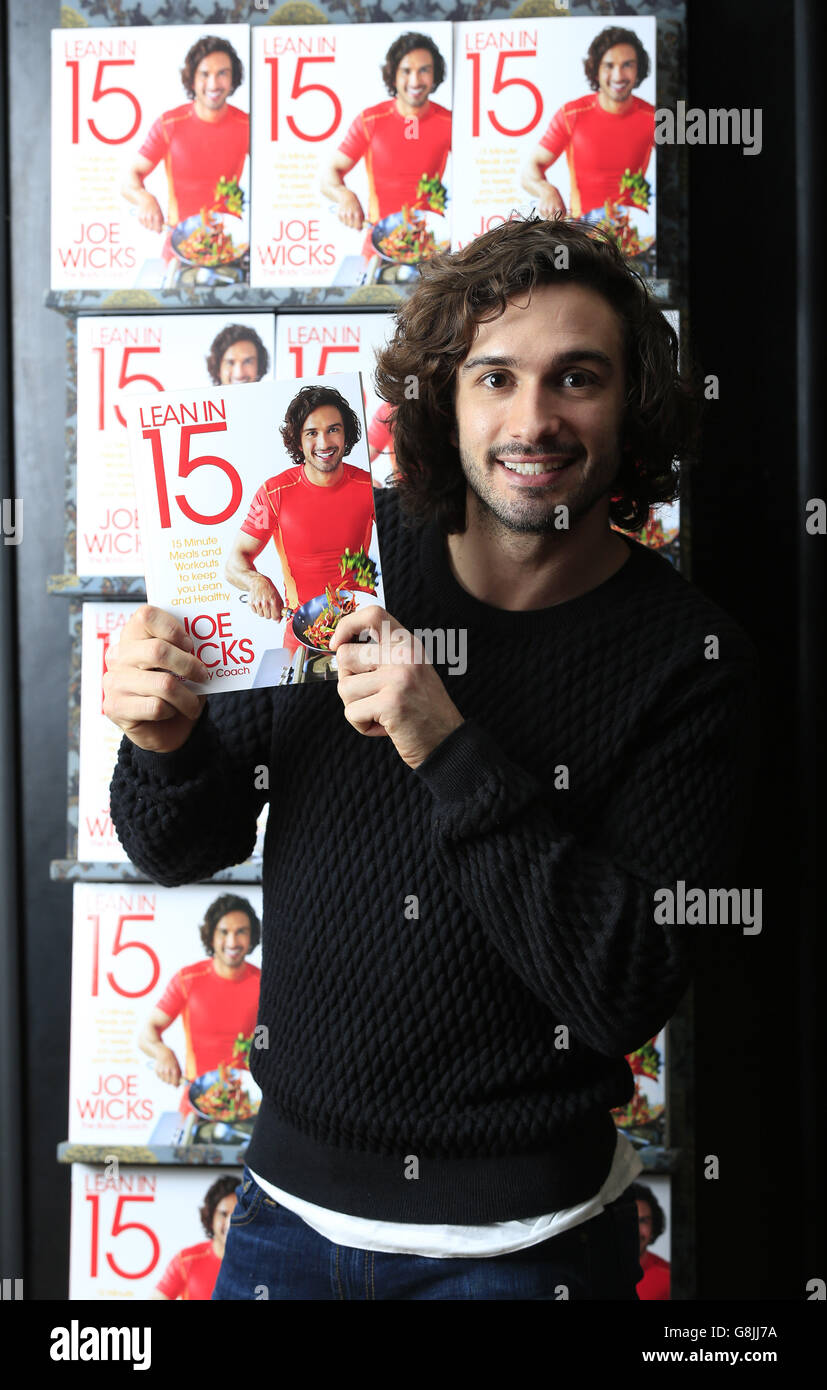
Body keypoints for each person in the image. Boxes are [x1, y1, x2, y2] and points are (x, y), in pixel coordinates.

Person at [105, 216, 757, 1301]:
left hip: (528, 1249)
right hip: (283, 1221)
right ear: (439, 402)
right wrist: (161, 743)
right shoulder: (345, 565)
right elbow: (181, 846)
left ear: (631, 407)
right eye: (493, 377)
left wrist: (442, 743)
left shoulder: (688, 659)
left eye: (576, 378)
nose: (532, 419)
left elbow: (620, 989)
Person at [224, 385, 377, 652]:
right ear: (298, 440)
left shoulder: (369, 487)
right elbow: (234, 563)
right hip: (302, 637)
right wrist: (256, 582)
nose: (324, 443)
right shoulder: (274, 493)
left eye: (333, 429)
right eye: (312, 433)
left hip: (362, 632)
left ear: (346, 433)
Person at [321, 31, 451, 242]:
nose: (415, 80)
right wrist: (345, 196)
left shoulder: (450, 122)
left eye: (424, 70)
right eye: (406, 71)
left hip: (432, 246)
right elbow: (327, 175)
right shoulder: (370, 121)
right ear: (393, 75)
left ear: (435, 74)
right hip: (380, 245)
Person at [138, 894, 261, 1115]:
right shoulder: (188, 981)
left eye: (241, 931)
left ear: (252, 937)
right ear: (211, 936)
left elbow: (267, 1039)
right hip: (196, 1107)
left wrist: (266, 1050)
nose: (233, 942)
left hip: (248, 1108)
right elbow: (146, 1033)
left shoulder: (265, 985)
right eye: (224, 932)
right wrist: (161, 1051)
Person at [122, 36, 248, 243]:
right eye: (205, 74)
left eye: (222, 73)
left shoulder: (247, 125)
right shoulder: (169, 124)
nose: (213, 84)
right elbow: (128, 180)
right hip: (179, 246)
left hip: (229, 246)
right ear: (192, 79)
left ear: (233, 78)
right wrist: (144, 198)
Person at [521, 26, 655, 220]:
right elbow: (529, 171)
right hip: (583, 237)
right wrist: (545, 190)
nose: (618, 76)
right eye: (609, 65)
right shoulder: (571, 115)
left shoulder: (654, 117)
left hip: (635, 234)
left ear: (638, 69)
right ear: (596, 71)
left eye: (627, 65)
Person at [152, 1176, 238, 1301]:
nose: (230, 1223)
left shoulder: (259, 1263)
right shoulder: (186, 1260)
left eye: (237, 1215)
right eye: (223, 1214)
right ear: (210, 1217)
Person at [628, 1181, 670, 1299]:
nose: (634, 1230)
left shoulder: (670, 1277)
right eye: (628, 1221)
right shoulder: (591, 1275)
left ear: (654, 1227)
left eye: (643, 1221)